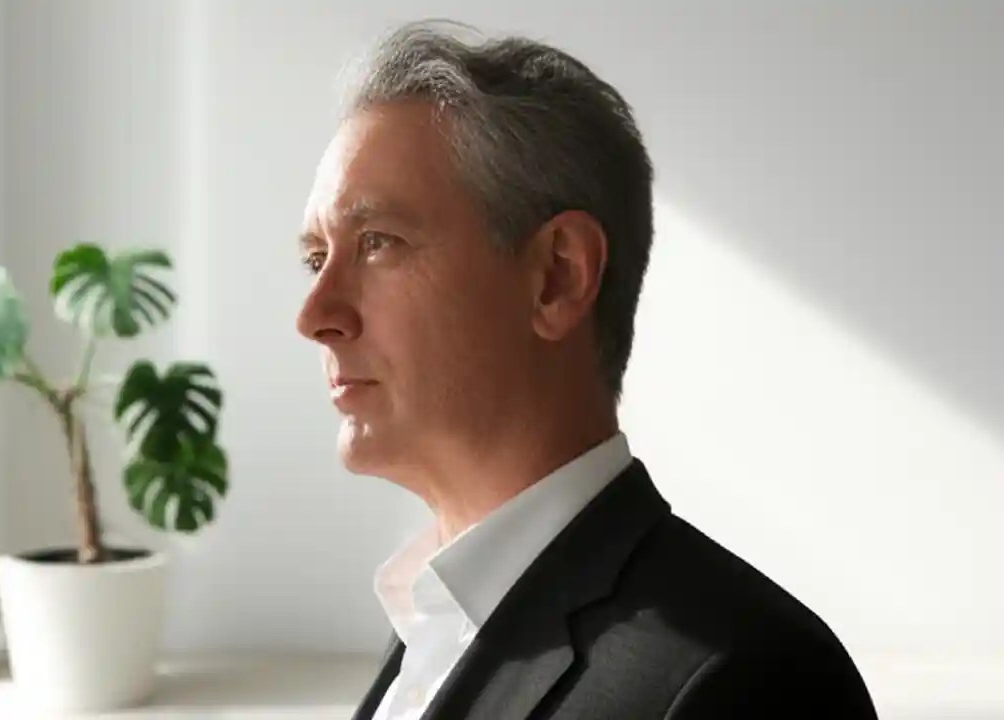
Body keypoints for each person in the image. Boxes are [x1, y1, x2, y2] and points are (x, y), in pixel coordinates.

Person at [295, 20, 877, 720]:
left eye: (377, 243)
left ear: (557, 278)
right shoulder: (432, 627)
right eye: (314, 257)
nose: (316, 314)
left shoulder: (752, 680)